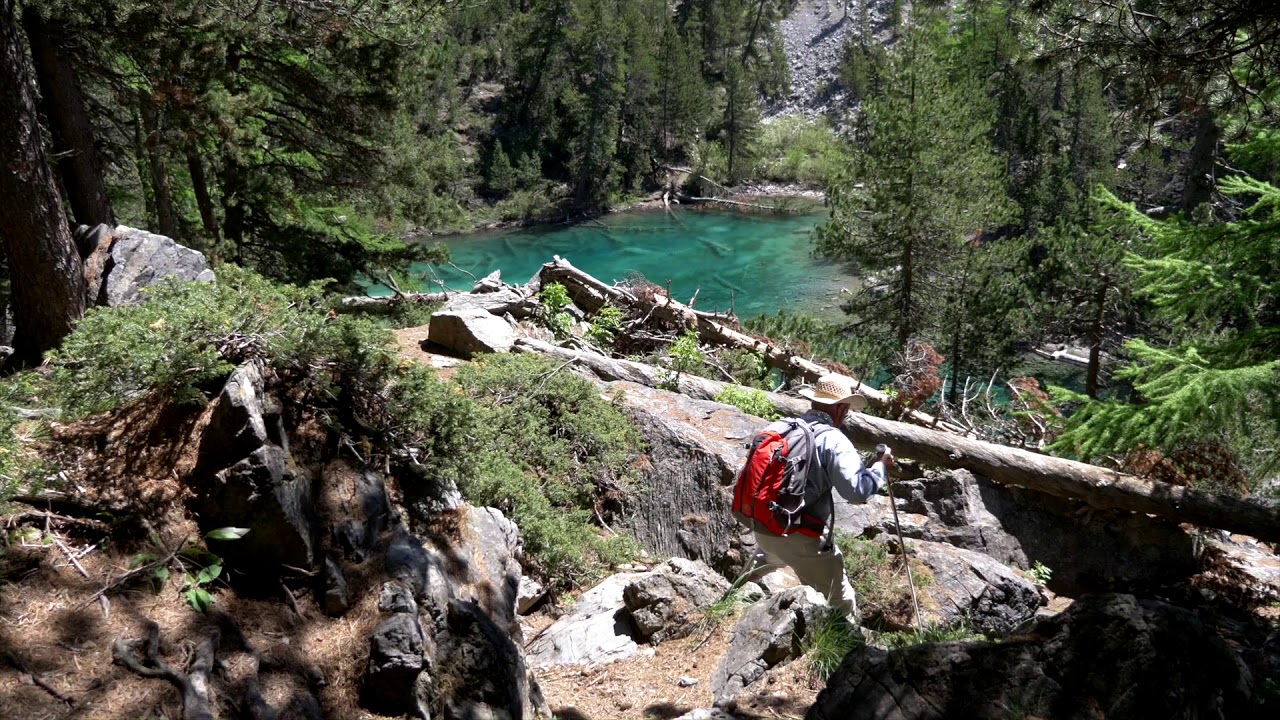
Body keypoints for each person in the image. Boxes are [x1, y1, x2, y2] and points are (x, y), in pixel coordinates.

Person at [749, 373, 893, 619]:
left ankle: (730, 606)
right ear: (840, 408)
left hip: (763, 526)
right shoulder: (833, 440)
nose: (846, 415)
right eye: (847, 409)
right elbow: (857, 492)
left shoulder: (779, 427)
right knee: (840, 600)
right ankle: (842, 641)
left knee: (760, 568)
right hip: (800, 535)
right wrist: (880, 467)